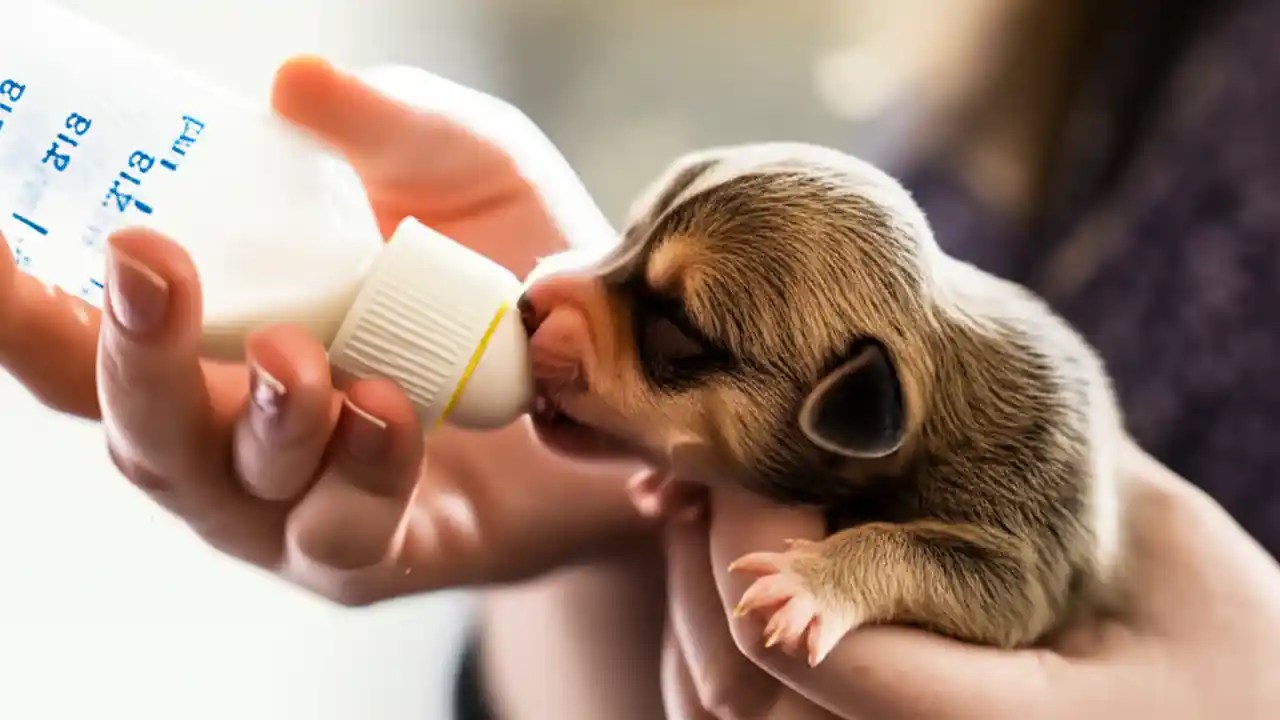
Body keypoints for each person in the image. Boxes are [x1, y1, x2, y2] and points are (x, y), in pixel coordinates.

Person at [1, 32, 1278, 720]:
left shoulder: (1005, 454)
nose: (554, 288)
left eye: (663, 324)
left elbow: (999, 578)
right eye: (619, 245)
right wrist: (593, 542)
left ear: (854, 411)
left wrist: (842, 576)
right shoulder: (1075, 64)